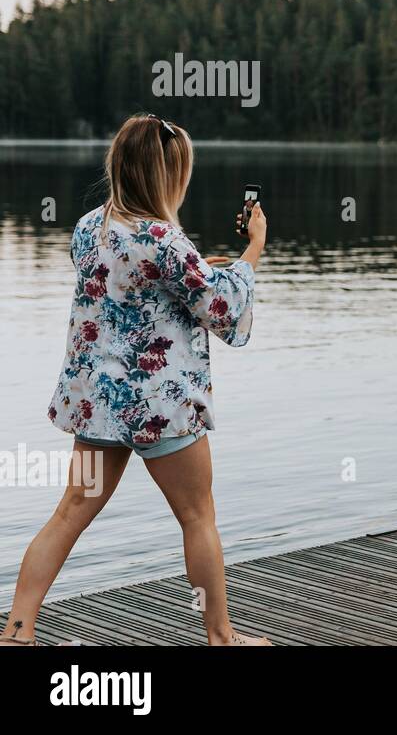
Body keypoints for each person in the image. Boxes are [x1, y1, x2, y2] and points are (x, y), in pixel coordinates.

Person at [1, 114, 272, 646]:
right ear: (166, 176)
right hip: (159, 407)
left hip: (100, 403)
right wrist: (251, 252)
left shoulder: (87, 228)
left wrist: (197, 268)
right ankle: (222, 638)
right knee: (198, 516)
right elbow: (220, 304)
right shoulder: (166, 241)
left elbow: (127, 285)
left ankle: (16, 631)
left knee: (69, 513)